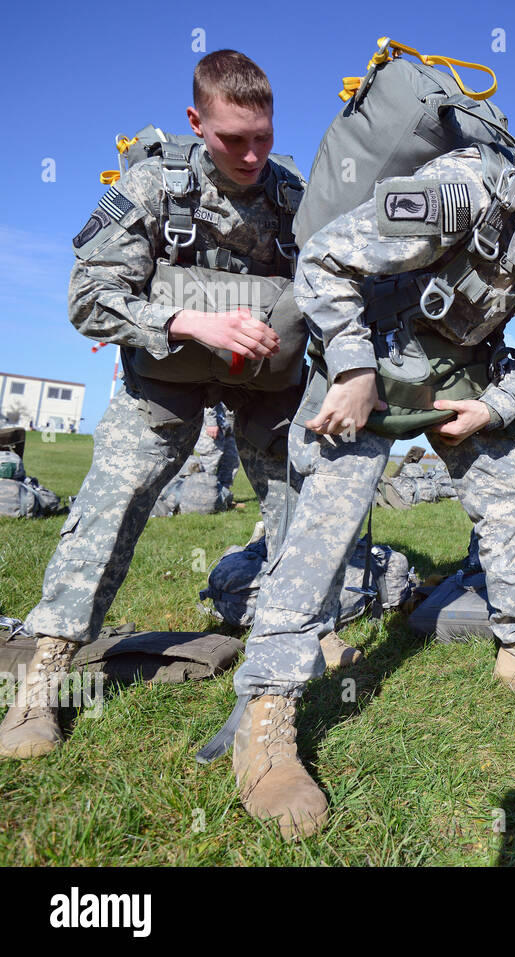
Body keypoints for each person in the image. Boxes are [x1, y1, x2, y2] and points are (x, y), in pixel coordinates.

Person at [212, 137, 515, 838]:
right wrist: (354, 369)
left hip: (462, 372)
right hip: (371, 349)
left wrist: (494, 408)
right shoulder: (469, 190)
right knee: (327, 515)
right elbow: (327, 258)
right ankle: (267, 715)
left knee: (514, 490)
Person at [2, 51, 307, 761]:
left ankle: (293, 652)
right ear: (197, 122)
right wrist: (190, 322)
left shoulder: (289, 193)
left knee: (300, 497)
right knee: (115, 494)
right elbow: (87, 297)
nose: (254, 154)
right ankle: (43, 681)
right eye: (235, 139)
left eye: (264, 135)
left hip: (262, 376)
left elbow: (330, 283)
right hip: (164, 369)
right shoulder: (153, 184)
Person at [195, 402, 240, 490]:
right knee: (210, 462)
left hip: (229, 422)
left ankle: (223, 498)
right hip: (215, 422)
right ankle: (200, 498)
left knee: (231, 460)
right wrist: (211, 421)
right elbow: (210, 394)